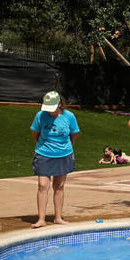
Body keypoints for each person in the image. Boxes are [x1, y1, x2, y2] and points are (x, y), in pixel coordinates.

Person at [30, 91, 79, 228]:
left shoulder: (69, 116)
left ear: (59, 104)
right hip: (44, 153)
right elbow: (36, 134)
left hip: (63, 154)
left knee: (59, 186)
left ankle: (58, 217)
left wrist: (66, 148)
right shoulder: (40, 116)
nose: (49, 112)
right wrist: (44, 145)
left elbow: (74, 134)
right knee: (42, 185)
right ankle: (41, 219)